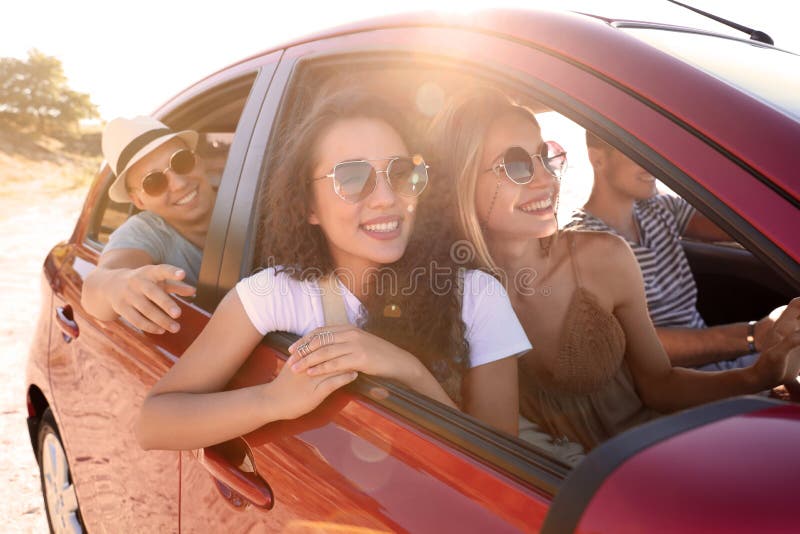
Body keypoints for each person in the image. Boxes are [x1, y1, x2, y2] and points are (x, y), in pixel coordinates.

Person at [135, 85, 529, 451]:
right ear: (308, 205)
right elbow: (154, 422)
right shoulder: (276, 294)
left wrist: (409, 371)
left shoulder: (475, 295)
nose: (386, 198)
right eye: (353, 178)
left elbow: (503, 471)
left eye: (401, 172)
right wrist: (271, 400)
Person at [426, 87, 800, 454]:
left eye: (545, 156)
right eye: (516, 165)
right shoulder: (452, 292)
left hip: (661, 449)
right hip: (555, 482)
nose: (545, 179)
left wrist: (757, 377)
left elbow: (659, 386)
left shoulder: (602, 258)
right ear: (463, 181)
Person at [567, 132, 795, 376]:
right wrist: (753, 336)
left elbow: (744, 223)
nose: (654, 160)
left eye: (655, 150)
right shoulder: (584, 242)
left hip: (719, 363)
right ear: (598, 159)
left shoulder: (658, 208)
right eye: (637, 150)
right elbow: (635, 346)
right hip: (675, 383)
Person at [81, 116, 217, 335]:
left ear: (198, 160)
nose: (179, 184)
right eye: (153, 182)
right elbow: (95, 285)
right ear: (139, 202)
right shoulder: (146, 231)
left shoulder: (256, 201)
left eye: (181, 161)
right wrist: (117, 284)